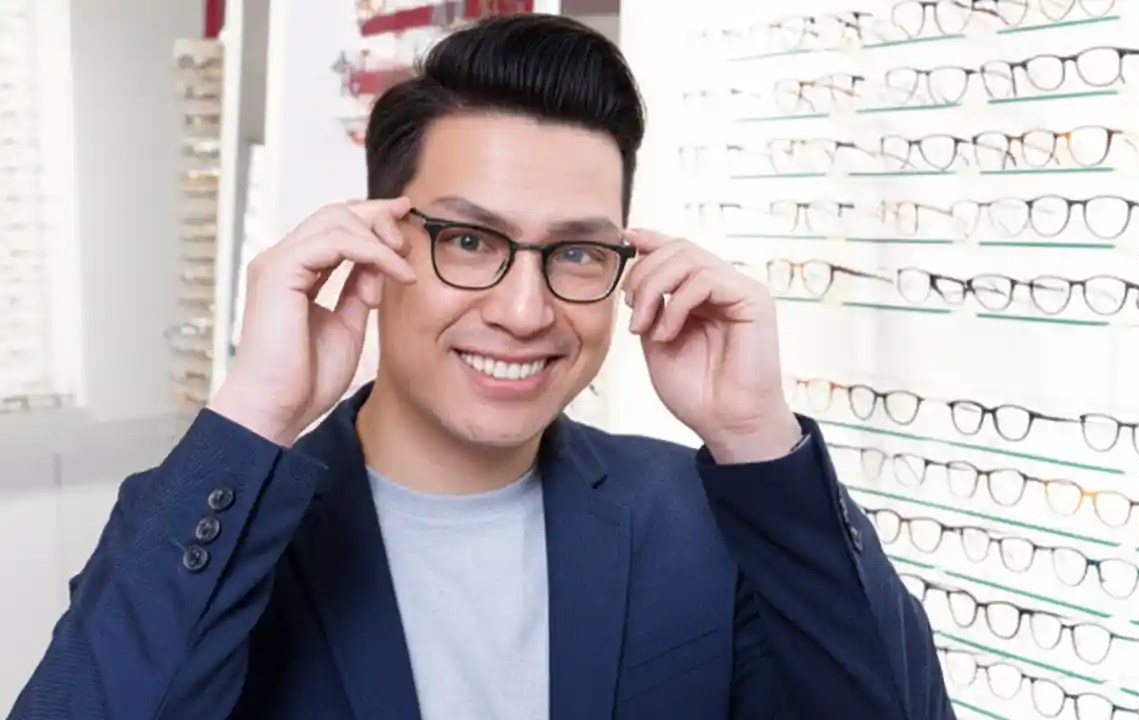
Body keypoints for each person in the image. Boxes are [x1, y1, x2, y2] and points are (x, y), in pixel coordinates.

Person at [10, 13, 952, 720]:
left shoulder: (701, 513)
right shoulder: (228, 528)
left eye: (577, 252)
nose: (524, 309)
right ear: (377, 243)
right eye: (469, 239)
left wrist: (757, 438)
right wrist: (256, 408)